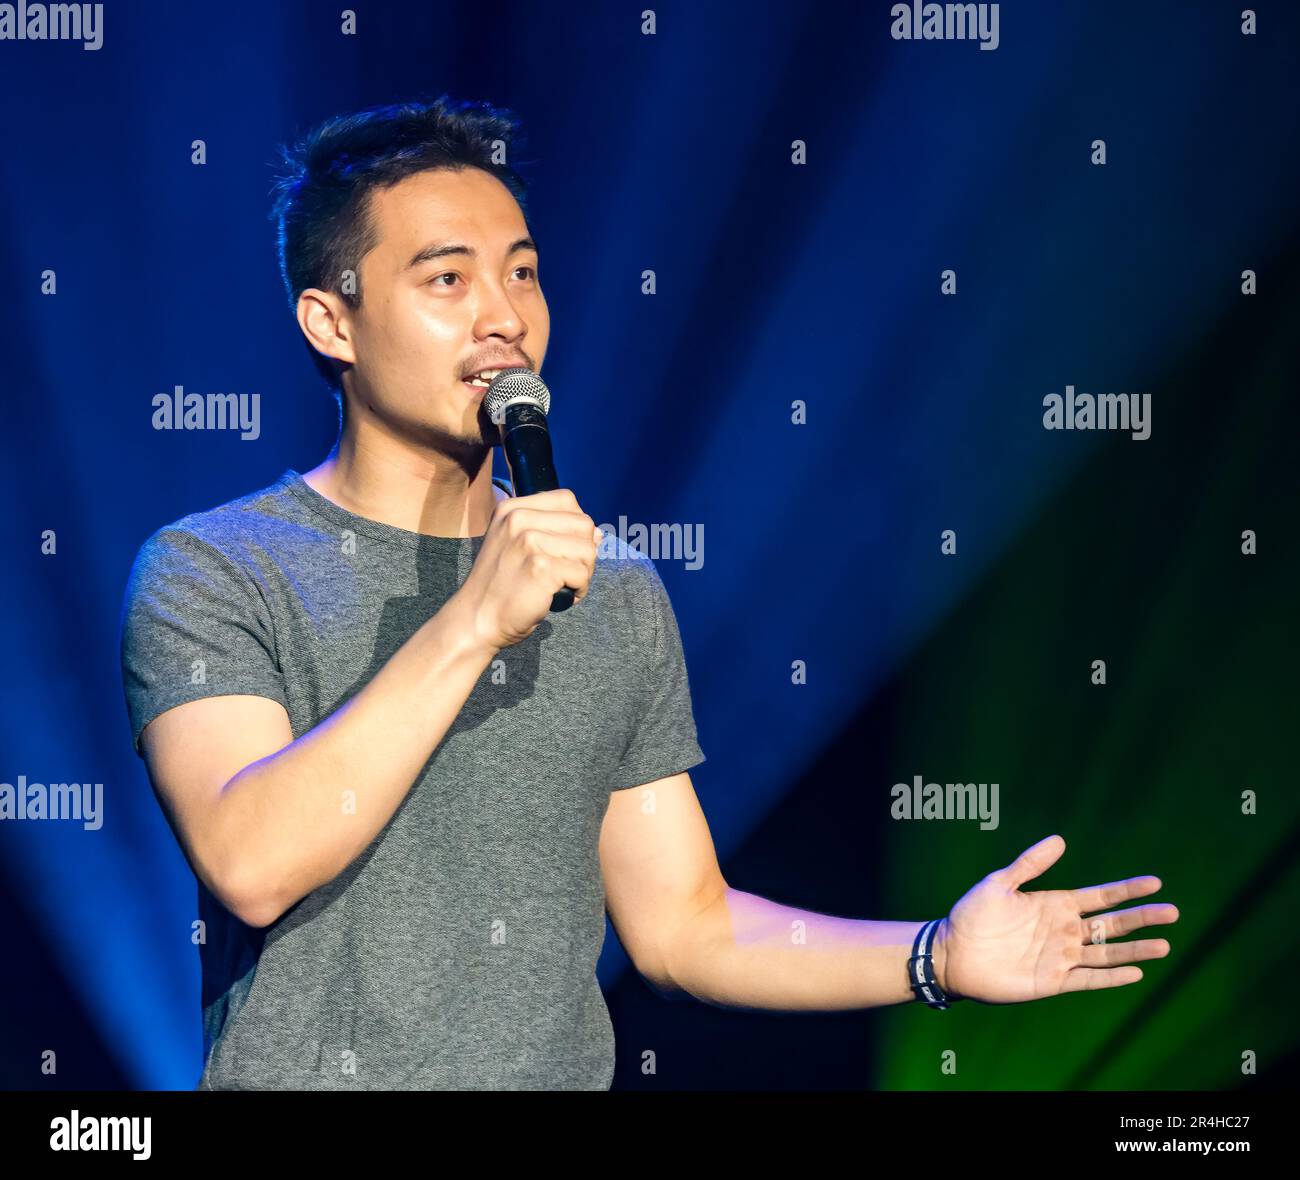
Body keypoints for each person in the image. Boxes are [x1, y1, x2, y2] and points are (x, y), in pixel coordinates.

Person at [119, 96, 1180, 1091]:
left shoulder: (607, 587)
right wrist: (476, 618)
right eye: (447, 280)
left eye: (523, 274)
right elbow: (252, 861)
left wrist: (932, 954)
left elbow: (685, 926)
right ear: (330, 322)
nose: (503, 317)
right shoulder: (216, 568)